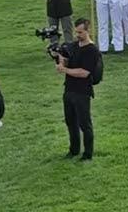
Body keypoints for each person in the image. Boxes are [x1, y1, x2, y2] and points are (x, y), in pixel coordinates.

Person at [55, 19, 102, 160]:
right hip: (69, 89)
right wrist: (59, 58)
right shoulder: (75, 46)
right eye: (76, 32)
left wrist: (64, 69)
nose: (78, 35)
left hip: (82, 91)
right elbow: (68, 60)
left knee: (84, 123)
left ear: (88, 31)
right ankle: (73, 150)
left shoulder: (92, 50)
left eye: (81, 32)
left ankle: (88, 153)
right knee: (70, 122)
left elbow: (84, 72)